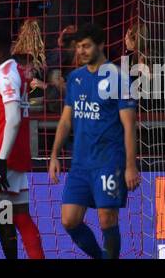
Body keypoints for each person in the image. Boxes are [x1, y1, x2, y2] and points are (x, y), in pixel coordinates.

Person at [46, 22, 139, 259]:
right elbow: (66, 120)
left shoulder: (118, 78)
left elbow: (129, 125)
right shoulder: (75, 78)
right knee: (69, 220)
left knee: (107, 218)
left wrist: (130, 166)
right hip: (80, 164)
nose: (81, 52)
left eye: (86, 46)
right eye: (78, 47)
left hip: (109, 161)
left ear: (100, 45)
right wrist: (55, 155)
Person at [0, 22, 45, 259]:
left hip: (4, 158)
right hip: (11, 154)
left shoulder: (6, 75)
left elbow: (13, 120)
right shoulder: (15, 71)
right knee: (21, 217)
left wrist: (0, 161)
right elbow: (4, 123)